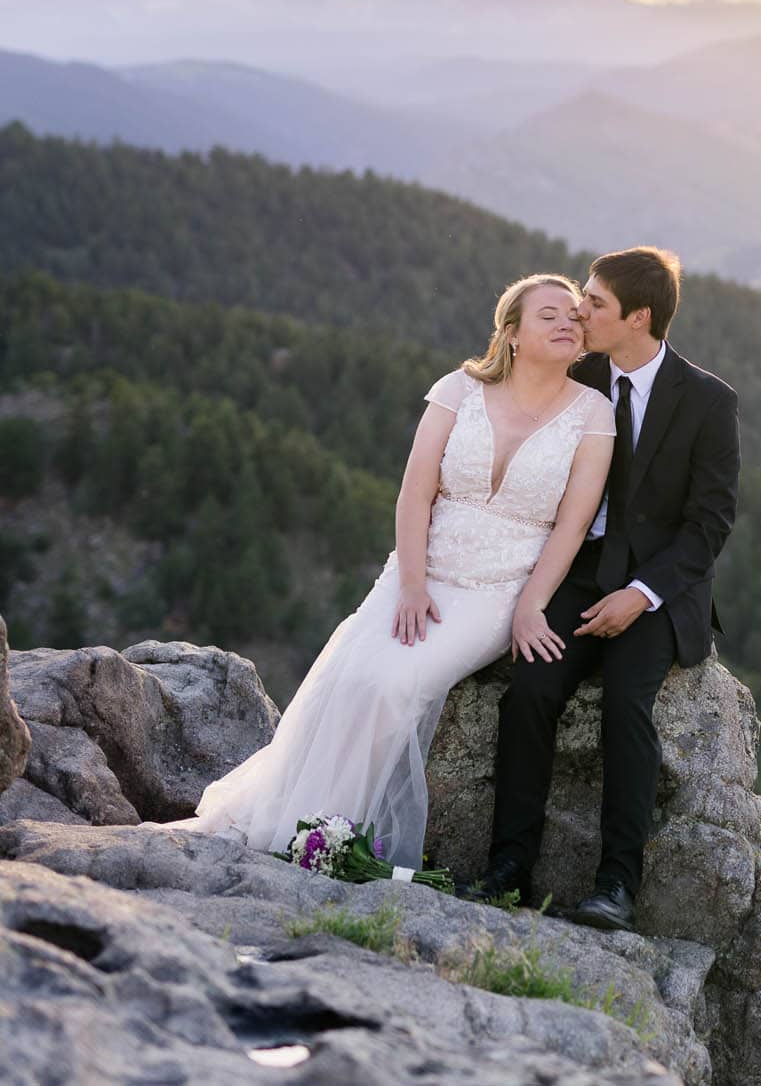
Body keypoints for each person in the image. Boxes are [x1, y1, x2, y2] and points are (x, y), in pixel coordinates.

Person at [166, 275, 615, 870]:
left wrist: (532, 603)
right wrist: (410, 582)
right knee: (350, 675)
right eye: (550, 315)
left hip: (496, 591)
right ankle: (293, 824)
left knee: (395, 687)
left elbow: (571, 527)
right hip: (417, 573)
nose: (568, 324)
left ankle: (331, 840)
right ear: (510, 334)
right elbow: (415, 493)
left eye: (575, 318)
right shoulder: (459, 389)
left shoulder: (593, 414)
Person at [462, 246, 739, 932]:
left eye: (594, 303)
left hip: (656, 588)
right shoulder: (577, 373)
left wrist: (641, 593)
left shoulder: (707, 400)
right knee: (531, 691)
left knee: (625, 704)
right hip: (579, 568)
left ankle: (616, 885)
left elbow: (710, 524)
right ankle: (507, 869)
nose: (578, 312)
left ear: (638, 318)